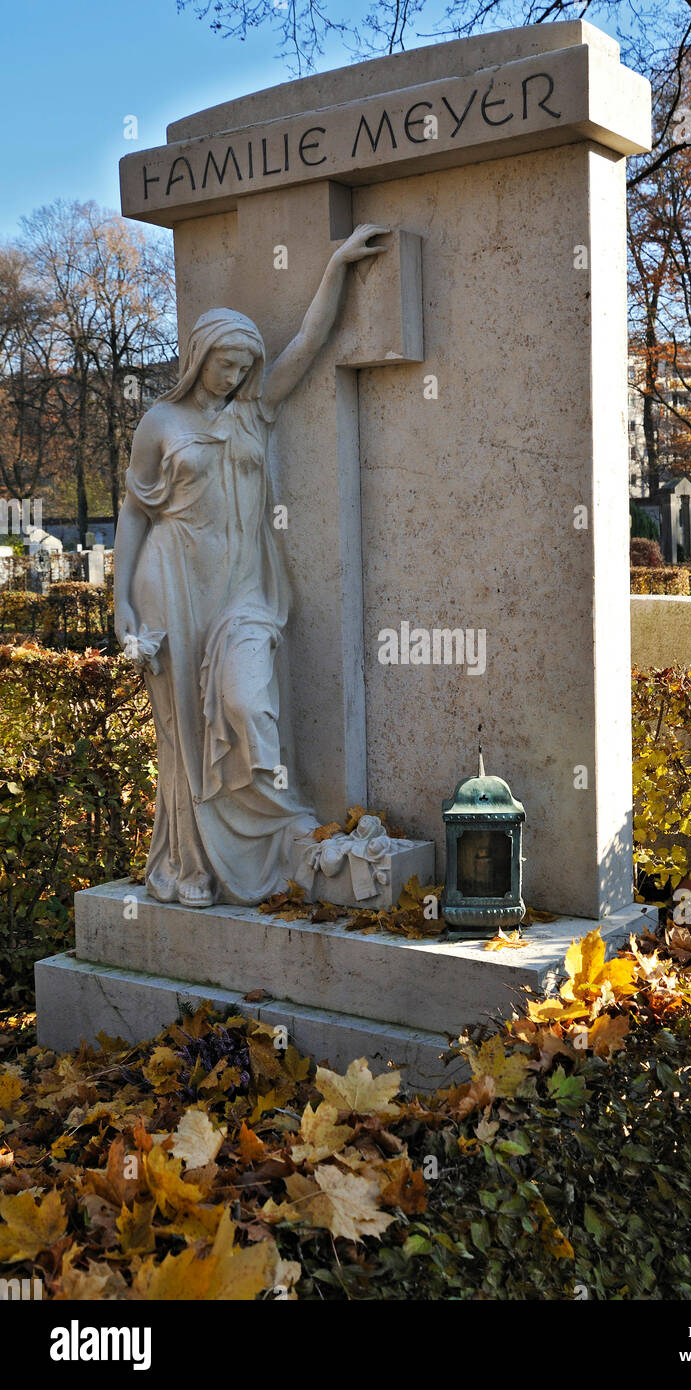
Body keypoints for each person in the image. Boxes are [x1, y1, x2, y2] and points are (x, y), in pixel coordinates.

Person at [113, 223, 389, 907]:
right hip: (170, 581)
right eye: (223, 366)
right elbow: (134, 513)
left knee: (243, 701)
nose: (235, 378)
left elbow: (306, 344)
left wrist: (336, 267)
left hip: (242, 585)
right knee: (181, 735)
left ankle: (277, 831)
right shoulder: (161, 424)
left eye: (242, 367)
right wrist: (119, 603)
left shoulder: (255, 412)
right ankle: (186, 864)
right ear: (199, 358)